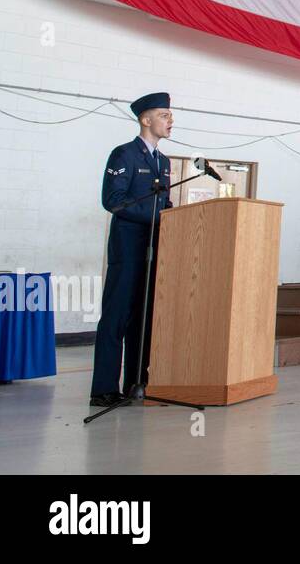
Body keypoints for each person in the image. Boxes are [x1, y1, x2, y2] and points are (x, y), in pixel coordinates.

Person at [90, 93, 175, 407]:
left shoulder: (162, 162)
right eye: (165, 115)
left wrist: (171, 217)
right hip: (128, 249)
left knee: (144, 318)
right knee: (117, 317)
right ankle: (103, 389)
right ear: (146, 119)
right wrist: (157, 217)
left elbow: (163, 203)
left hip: (154, 250)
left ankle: (137, 383)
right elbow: (114, 201)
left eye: (170, 116)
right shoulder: (124, 154)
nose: (171, 121)